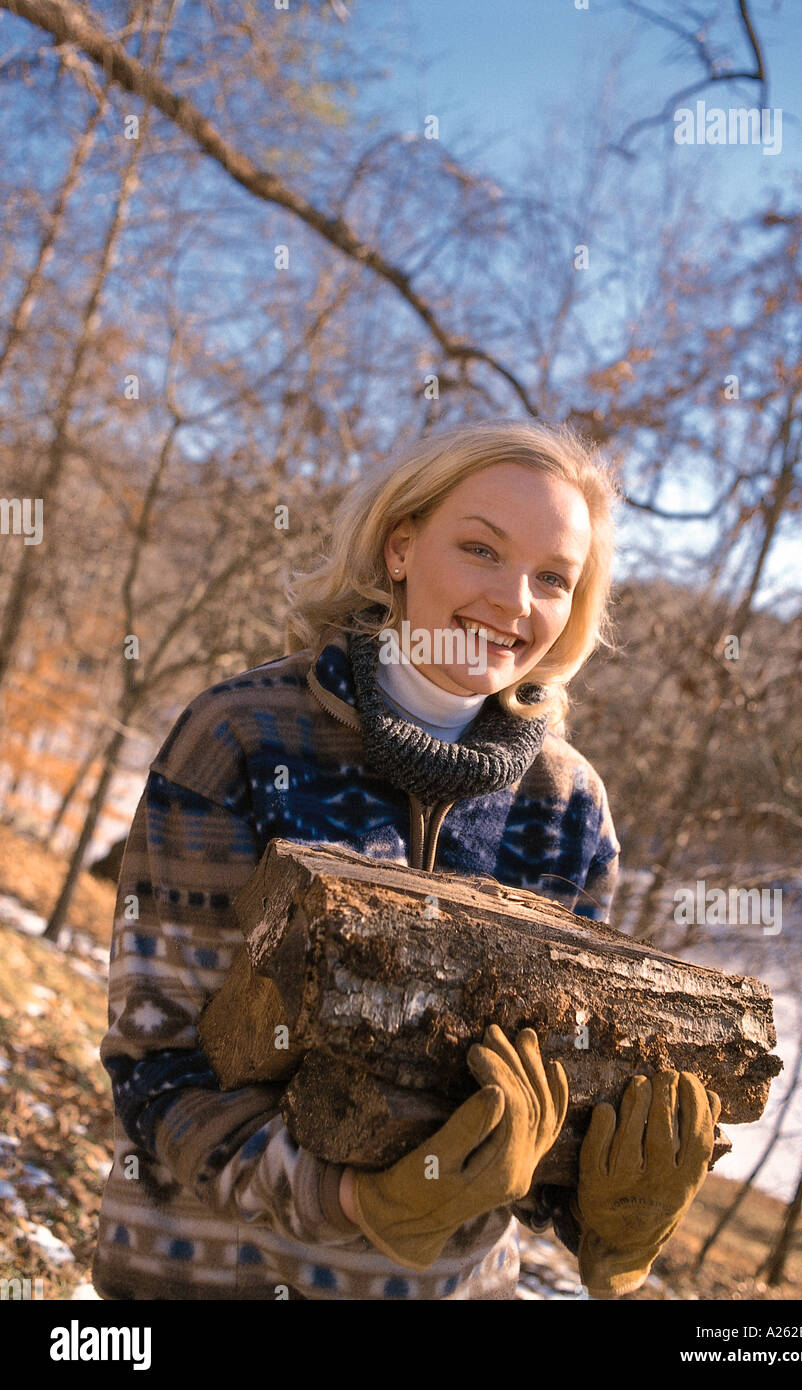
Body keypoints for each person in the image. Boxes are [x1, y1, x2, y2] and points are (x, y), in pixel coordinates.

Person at [93, 417, 718, 1301]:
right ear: (398, 545)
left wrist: (600, 1210)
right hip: (209, 1276)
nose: (513, 600)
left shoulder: (567, 805)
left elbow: (533, 1102)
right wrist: (351, 1201)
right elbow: (156, 1062)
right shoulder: (239, 735)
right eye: (480, 549)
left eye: (552, 578)